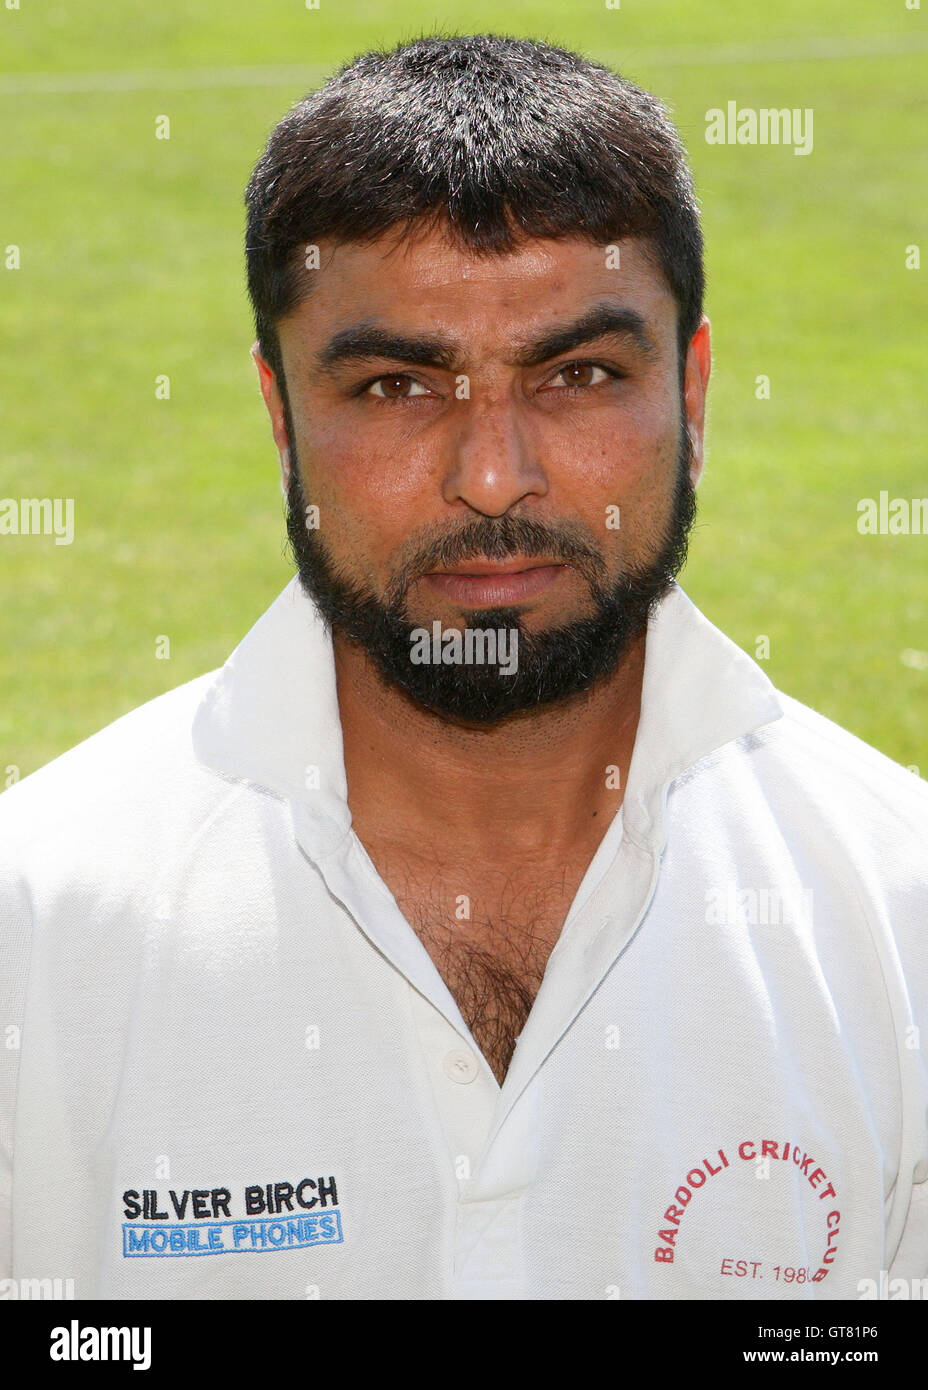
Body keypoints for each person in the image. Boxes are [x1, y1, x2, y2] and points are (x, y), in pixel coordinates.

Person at [1, 32, 925, 1302]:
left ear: (693, 395)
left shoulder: (896, 906)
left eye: (579, 375)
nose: (493, 477)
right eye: (396, 386)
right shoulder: (38, 916)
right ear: (280, 418)